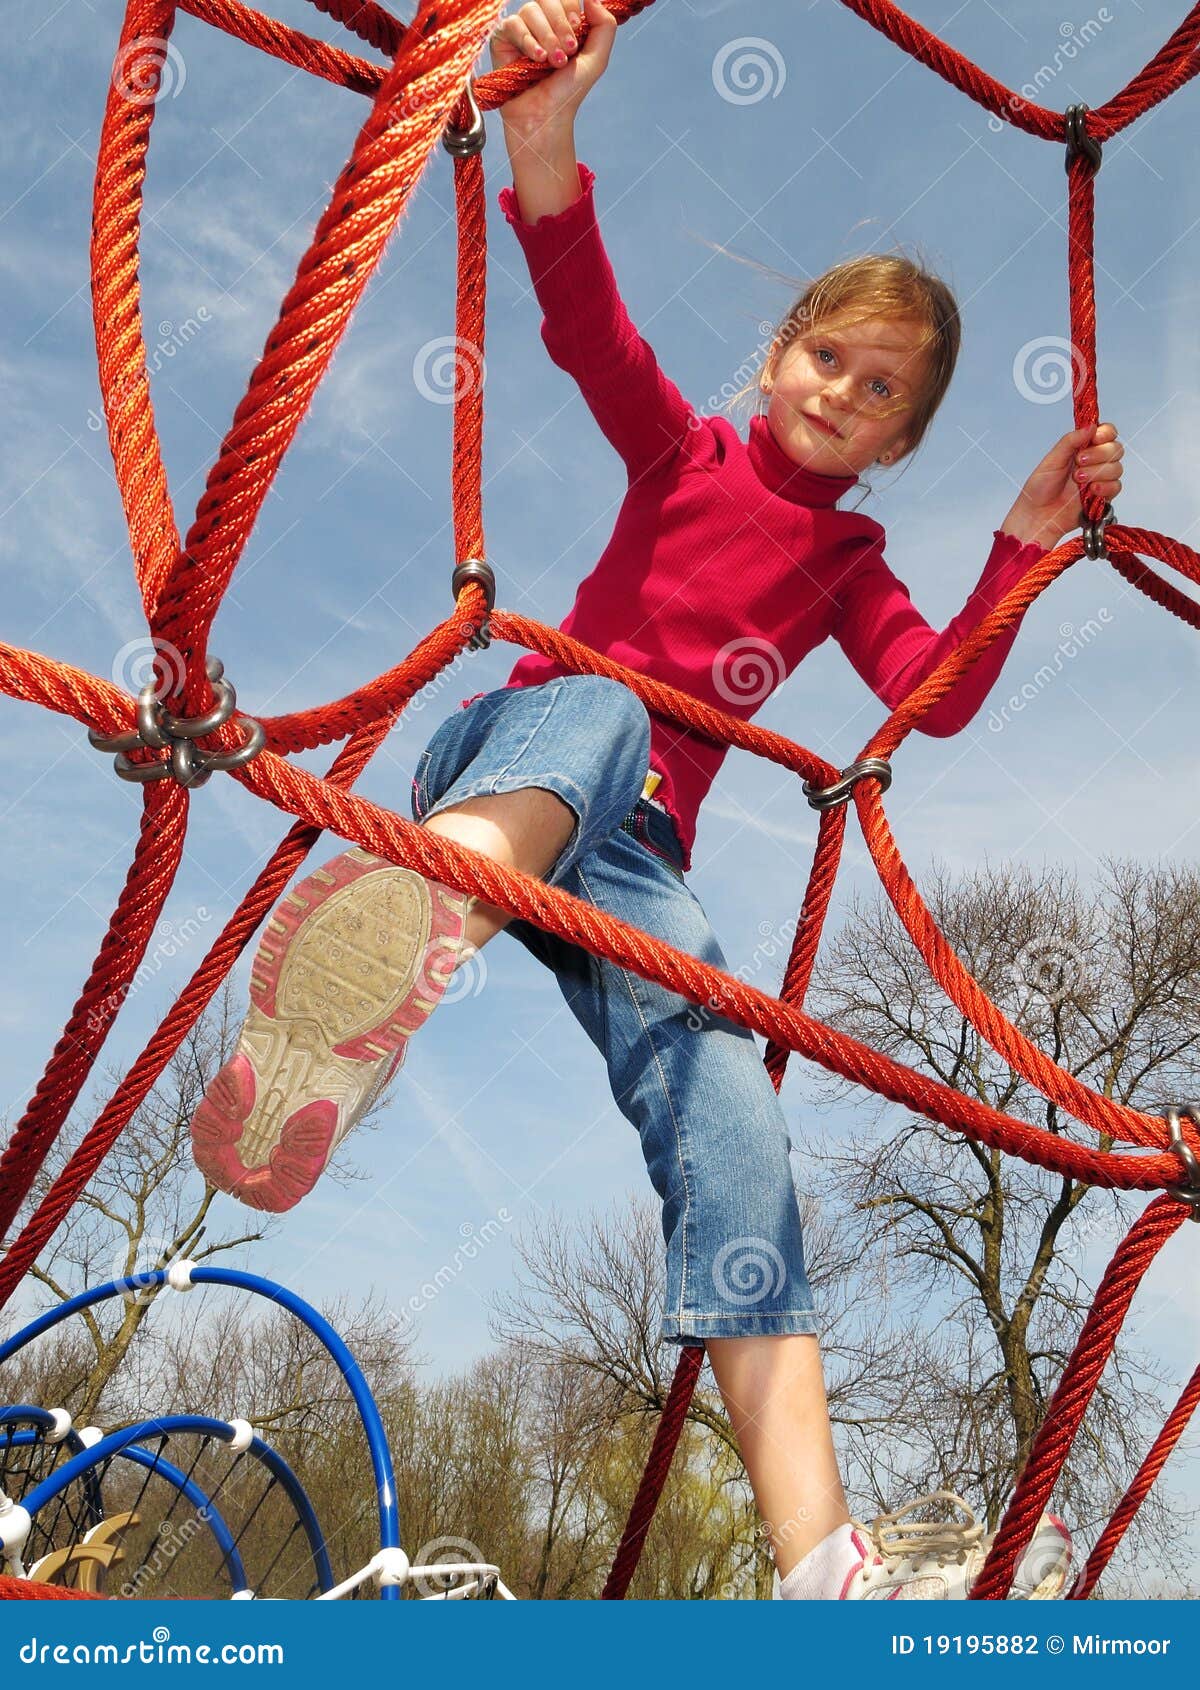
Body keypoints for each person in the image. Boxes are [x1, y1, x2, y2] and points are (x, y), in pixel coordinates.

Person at [190, 0, 1124, 1599]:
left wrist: (1026, 546)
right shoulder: (684, 455)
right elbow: (587, 327)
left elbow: (934, 695)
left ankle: (817, 1551)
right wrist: (545, 131)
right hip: (516, 756)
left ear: (902, 440)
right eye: (828, 355)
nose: (843, 393)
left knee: (735, 1096)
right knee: (617, 705)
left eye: (882, 391)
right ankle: (404, 916)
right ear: (776, 358)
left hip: (637, 861)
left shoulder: (852, 564)